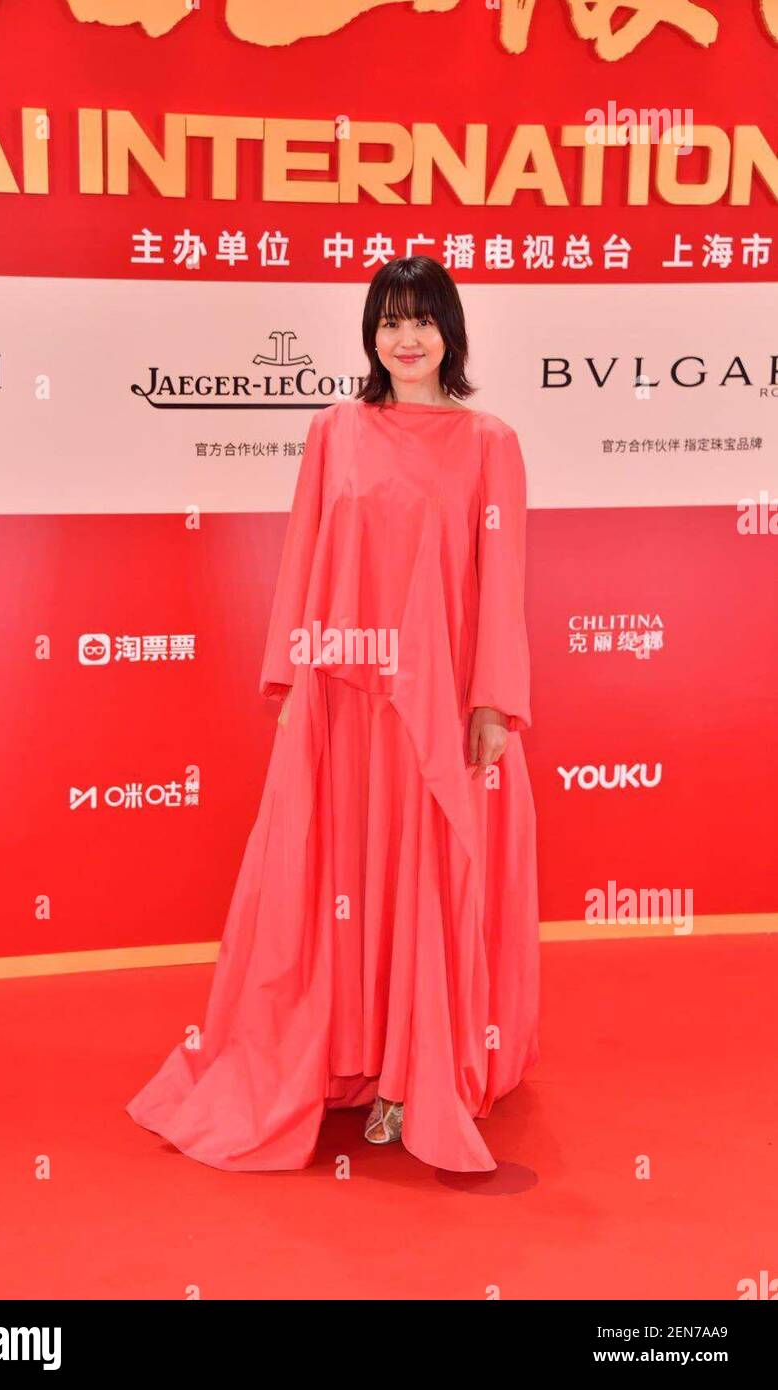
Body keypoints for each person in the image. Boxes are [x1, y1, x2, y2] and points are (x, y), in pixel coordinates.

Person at [126, 255, 539, 1172]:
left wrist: (492, 704)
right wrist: (293, 683)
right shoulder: (334, 432)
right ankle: (344, 1057)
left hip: (434, 710)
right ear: (369, 333)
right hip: (345, 701)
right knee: (340, 875)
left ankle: (409, 1071)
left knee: (421, 874)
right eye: (390, 319)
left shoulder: (490, 443)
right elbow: (306, 556)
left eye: (424, 319)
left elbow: (502, 586)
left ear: (451, 333)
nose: (407, 337)